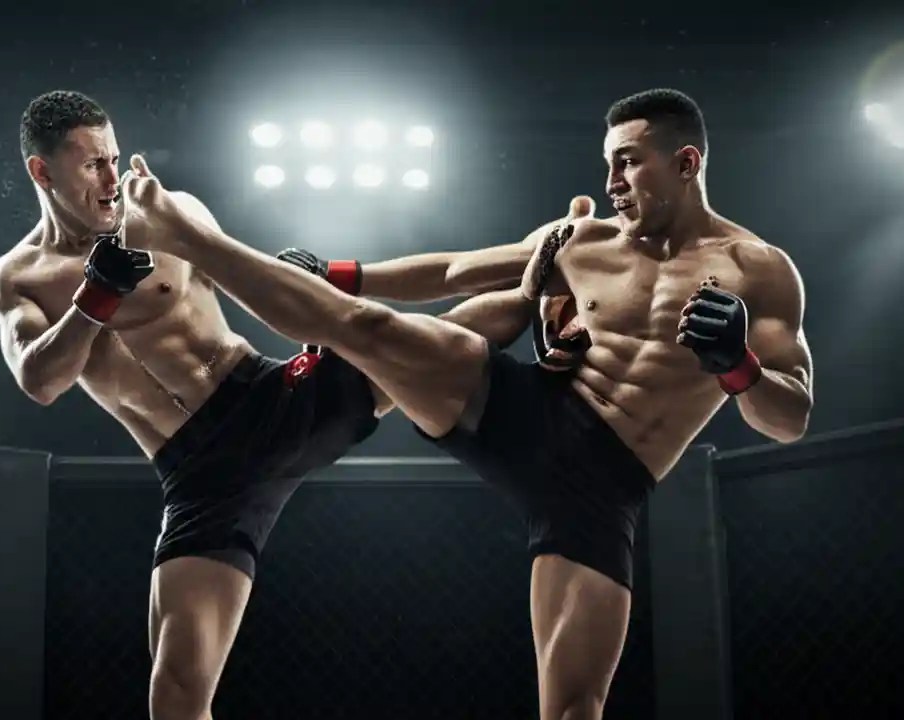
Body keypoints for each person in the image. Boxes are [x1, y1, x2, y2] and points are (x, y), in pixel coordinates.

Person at [116, 87, 814, 720]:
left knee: (573, 707)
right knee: (363, 326)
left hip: (606, 484)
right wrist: (338, 273)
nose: (611, 183)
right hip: (528, 413)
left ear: (686, 161)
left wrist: (740, 365)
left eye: (628, 164)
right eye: (608, 164)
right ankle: (190, 238)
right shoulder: (586, 238)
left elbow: (790, 417)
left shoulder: (760, 271)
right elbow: (452, 270)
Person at [0, 90, 587, 720]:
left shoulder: (166, 214)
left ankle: (548, 278)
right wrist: (96, 295)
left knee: (427, 342)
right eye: (90, 166)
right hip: (198, 473)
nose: (111, 179)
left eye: (113, 159)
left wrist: (314, 291)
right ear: (42, 171)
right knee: (175, 694)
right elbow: (39, 379)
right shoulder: (19, 276)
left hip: (268, 397)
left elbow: (246, 281)